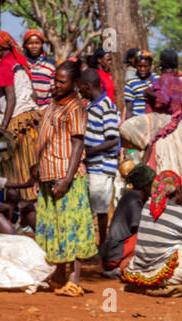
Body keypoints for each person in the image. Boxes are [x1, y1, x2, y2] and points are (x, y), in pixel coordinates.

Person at [33, 60, 94, 296]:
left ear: (75, 83)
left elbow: (78, 144)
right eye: (54, 80)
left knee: (72, 225)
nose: (55, 85)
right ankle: (58, 274)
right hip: (49, 174)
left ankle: (74, 279)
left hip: (66, 176)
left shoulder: (75, 107)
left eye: (61, 81)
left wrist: (67, 178)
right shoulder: (53, 104)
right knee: (55, 225)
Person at [0, 30, 44, 216]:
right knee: (30, 167)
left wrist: (4, 126)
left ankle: (16, 220)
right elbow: (33, 94)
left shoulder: (5, 64)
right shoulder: (19, 63)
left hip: (16, 122)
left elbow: (11, 99)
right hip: (29, 121)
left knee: (14, 174)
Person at [79, 68, 121, 247]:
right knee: (90, 207)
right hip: (92, 165)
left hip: (102, 166)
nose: (79, 91)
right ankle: (90, 243)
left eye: (80, 87)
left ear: (87, 87)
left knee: (101, 209)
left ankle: (102, 244)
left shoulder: (106, 105)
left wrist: (90, 151)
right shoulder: (91, 106)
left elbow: (113, 139)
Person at [100, 163, 155, 276]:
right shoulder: (134, 198)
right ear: (146, 186)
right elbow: (139, 229)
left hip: (114, 252)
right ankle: (122, 269)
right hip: (115, 254)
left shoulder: (133, 196)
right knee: (148, 238)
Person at [23, 29, 55, 107]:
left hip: (44, 109)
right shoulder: (21, 64)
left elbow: (54, 90)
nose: (34, 46)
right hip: (24, 109)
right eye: (30, 43)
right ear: (26, 45)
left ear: (41, 44)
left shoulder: (50, 66)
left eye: (37, 43)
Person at [123, 50, 155, 120]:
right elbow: (129, 109)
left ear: (150, 66)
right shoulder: (131, 83)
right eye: (139, 66)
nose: (142, 69)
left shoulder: (157, 80)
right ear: (135, 66)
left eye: (145, 66)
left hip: (155, 121)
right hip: (138, 122)